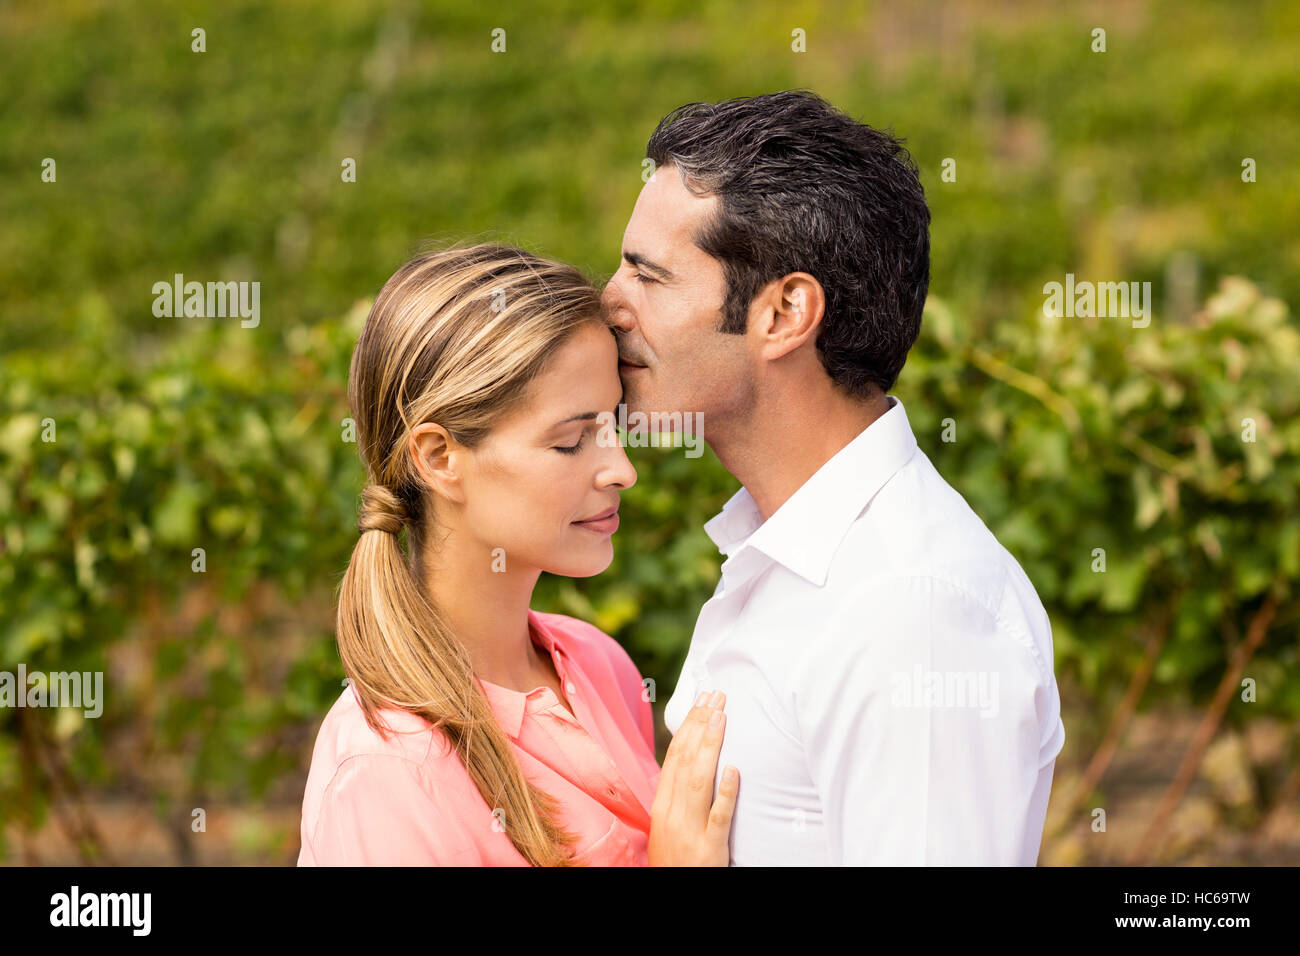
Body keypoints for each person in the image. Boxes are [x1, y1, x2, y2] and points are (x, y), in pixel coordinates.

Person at [601, 90, 1067, 865]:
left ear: (784, 313)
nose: (607, 303)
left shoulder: (909, 617)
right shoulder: (792, 555)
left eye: (648, 276)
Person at [297, 243, 736, 866]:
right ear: (440, 457)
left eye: (612, 426)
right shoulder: (384, 769)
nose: (621, 469)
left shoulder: (597, 663)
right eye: (570, 441)